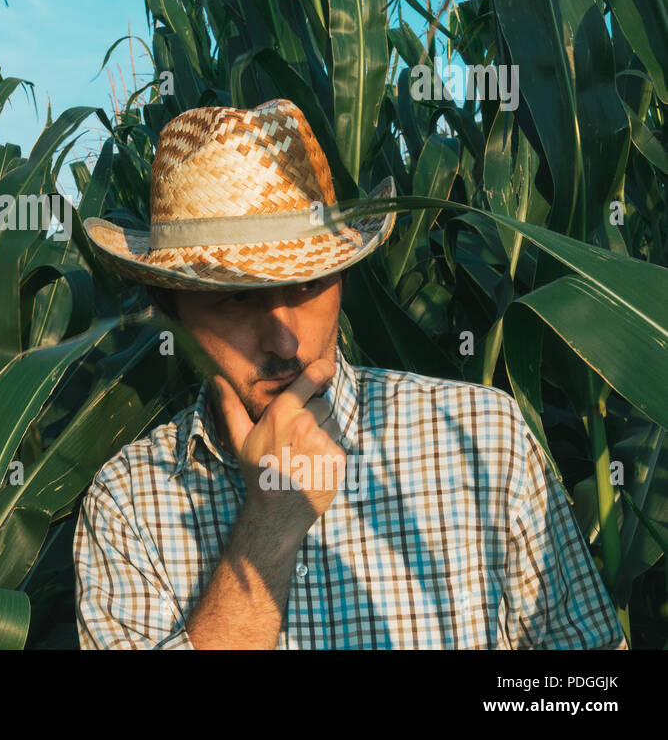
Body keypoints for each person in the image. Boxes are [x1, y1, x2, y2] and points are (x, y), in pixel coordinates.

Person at [75, 100, 626, 649]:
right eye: (237, 301)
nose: (285, 341)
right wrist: (267, 531)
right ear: (169, 307)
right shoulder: (127, 507)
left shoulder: (483, 438)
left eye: (308, 285)